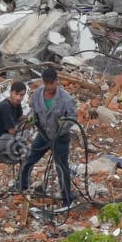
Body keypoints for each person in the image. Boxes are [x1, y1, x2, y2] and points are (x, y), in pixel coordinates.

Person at [17, 67, 77, 208]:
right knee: (30, 159)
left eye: (52, 83)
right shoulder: (38, 94)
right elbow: (33, 109)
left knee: (61, 167)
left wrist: (65, 123)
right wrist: (32, 117)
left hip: (60, 138)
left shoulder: (66, 99)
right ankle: (21, 185)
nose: (49, 87)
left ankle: (67, 198)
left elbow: (73, 117)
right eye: (47, 83)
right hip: (43, 134)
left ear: (57, 81)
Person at [0, 81, 27, 162]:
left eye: (21, 95)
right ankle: (0, 153)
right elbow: (12, 131)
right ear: (10, 92)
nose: (18, 97)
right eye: (16, 94)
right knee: (24, 133)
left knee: (25, 132)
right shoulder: (5, 106)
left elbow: (20, 117)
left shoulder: (17, 103)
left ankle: (9, 150)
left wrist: (30, 119)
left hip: (4, 136)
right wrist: (24, 126)